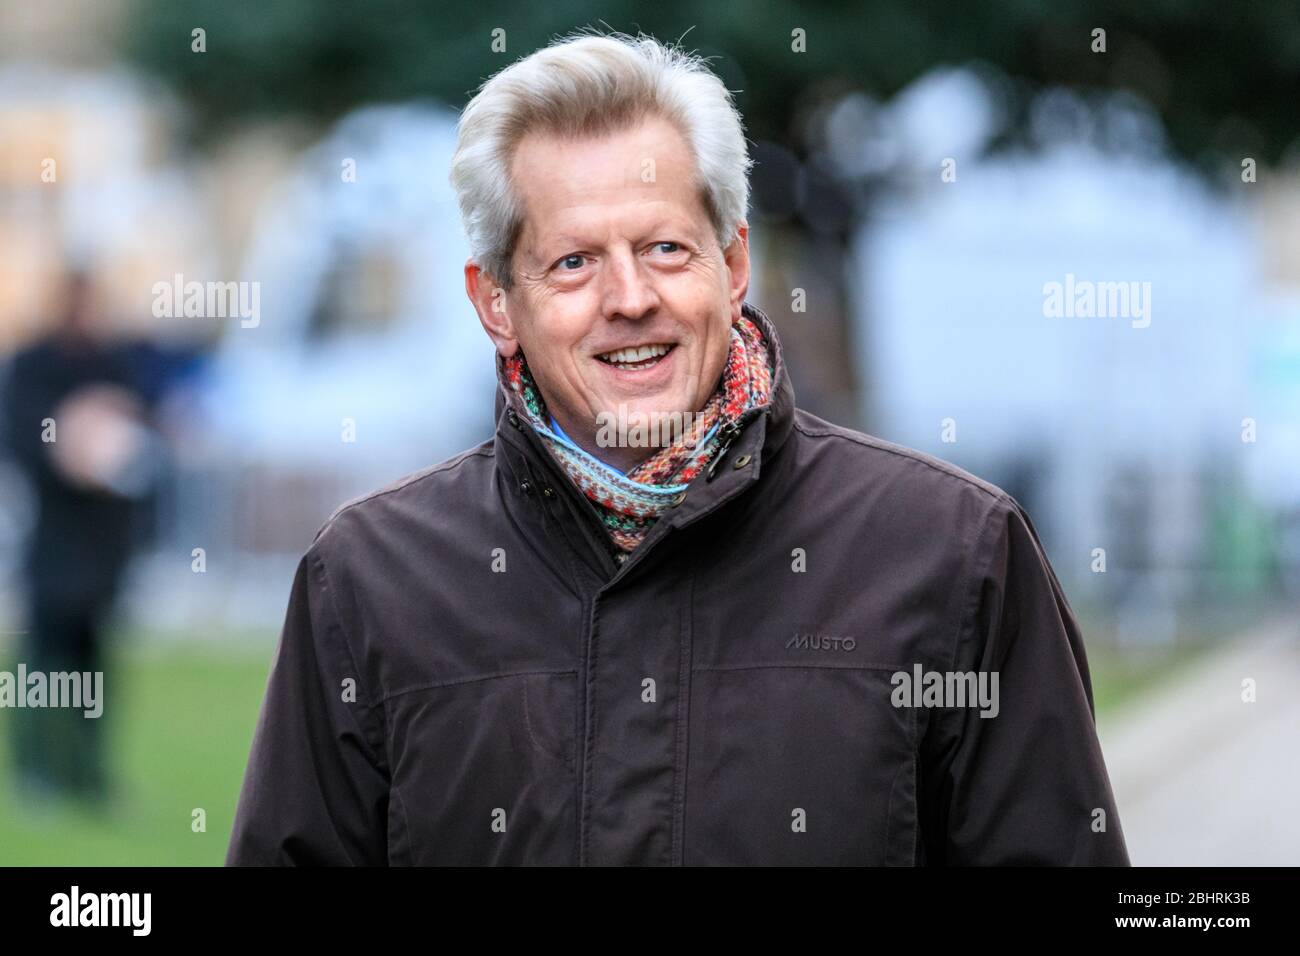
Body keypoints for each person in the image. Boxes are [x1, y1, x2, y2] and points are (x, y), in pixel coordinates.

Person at [227, 30, 1130, 865]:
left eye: (664, 248)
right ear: (496, 301)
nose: (629, 299)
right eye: (573, 262)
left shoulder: (953, 554)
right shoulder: (370, 580)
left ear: (733, 265)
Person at [1, 268, 159, 807]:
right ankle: (36, 769)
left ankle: (88, 772)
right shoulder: (34, 364)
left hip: (102, 541)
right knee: (43, 660)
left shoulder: (114, 363)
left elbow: (144, 430)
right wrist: (72, 442)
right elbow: (25, 441)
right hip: (54, 535)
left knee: (94, 664)